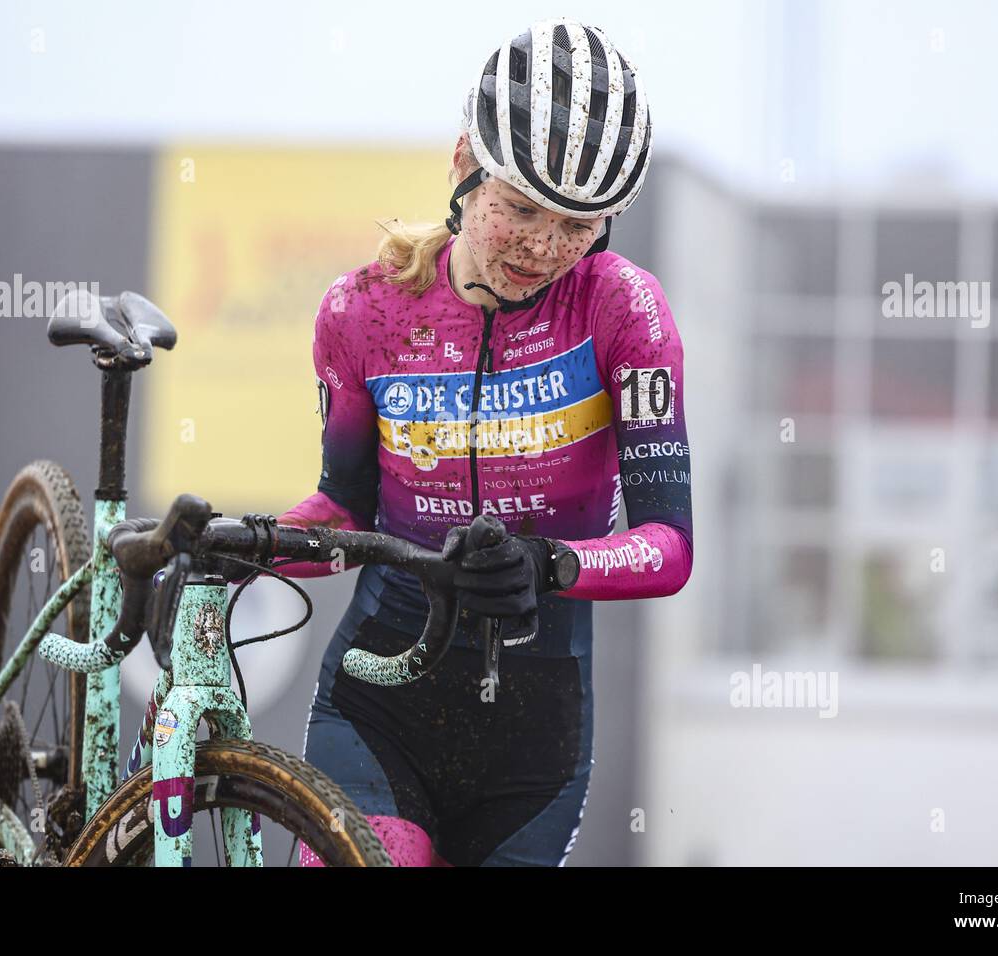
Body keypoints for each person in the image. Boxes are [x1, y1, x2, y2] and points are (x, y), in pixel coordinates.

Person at [275, 17, 693, 866]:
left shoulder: (624, 312)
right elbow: (345, 510)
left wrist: (551, 564)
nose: (543, 248)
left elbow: (670, 548)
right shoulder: (363, 313)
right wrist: (253, 551)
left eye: (579, 224)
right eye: (523, 209)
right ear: (466, 166)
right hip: (381, 699)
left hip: (533, 737)